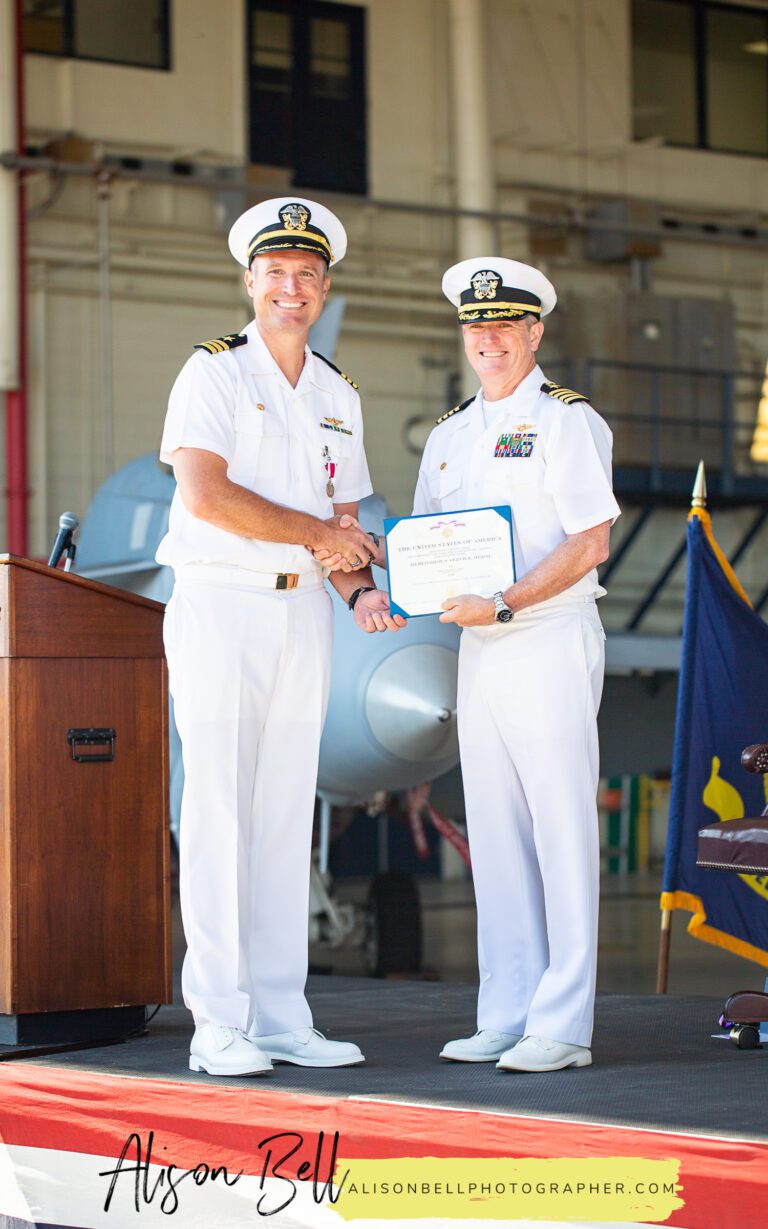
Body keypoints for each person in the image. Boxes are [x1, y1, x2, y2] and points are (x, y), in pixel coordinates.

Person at [157, 196, 402, 1078]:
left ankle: (279, 1012)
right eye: (275, 275)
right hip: (223, 603)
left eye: (306, 276)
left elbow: (342, 524)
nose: (290, 289)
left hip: (305, 610)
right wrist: (323, 536)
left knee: (284, 813)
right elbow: (205, 494)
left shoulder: (339, 392)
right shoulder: (214, 373)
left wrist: (362, 591)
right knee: (220, 809)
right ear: (250, 282)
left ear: (324, 286)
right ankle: (216, 1020)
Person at [412, 257, 620, 1071]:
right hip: (480, 642)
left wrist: (505, 601)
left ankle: (563, 1023)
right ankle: (508, 1009)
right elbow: (429, 543)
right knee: (495, 831)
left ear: (536, 331)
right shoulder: (450, 432)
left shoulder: (568, 421)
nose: (489, 338)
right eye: (476, 325)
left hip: (544, 632)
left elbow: (590, 539)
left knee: (559, 827)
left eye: (506, 324)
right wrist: (403, 590)